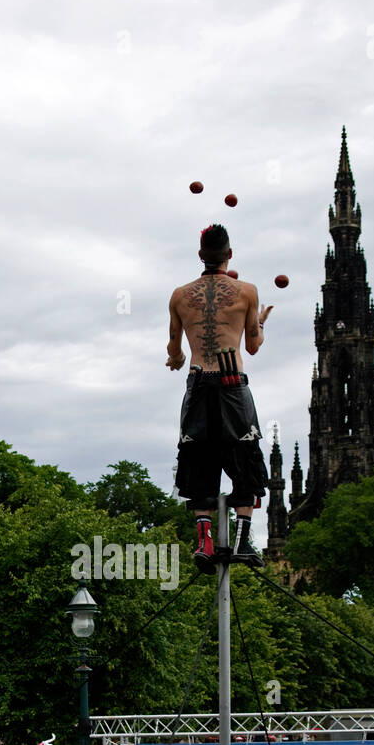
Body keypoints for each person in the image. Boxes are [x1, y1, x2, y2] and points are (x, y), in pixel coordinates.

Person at [167, 223, 272, 569]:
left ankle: (204, 542)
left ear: (200, 255)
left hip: (198, 382)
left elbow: (175, 353)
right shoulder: (247, 292)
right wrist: (259, 323)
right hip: (231, 382)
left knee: (198, 459)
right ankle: (242, 541)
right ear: (230, 255)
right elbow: (253, 347)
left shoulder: (180, 296)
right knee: (246, 458)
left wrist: (176, 360)